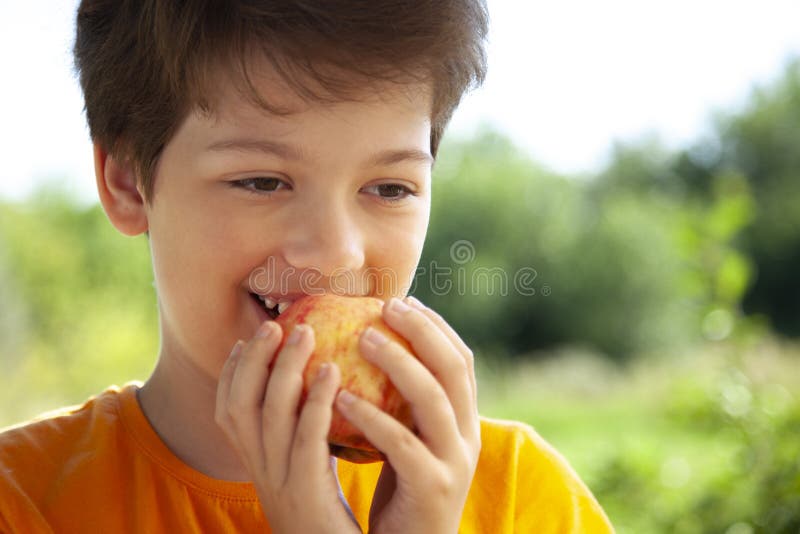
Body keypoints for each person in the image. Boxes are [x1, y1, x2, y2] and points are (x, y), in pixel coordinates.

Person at [0, 1, 613, 532]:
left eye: (390, 188)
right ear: (129, 181)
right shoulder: (22, 502)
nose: (337, 252)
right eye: (263, 181)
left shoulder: (519, 497)